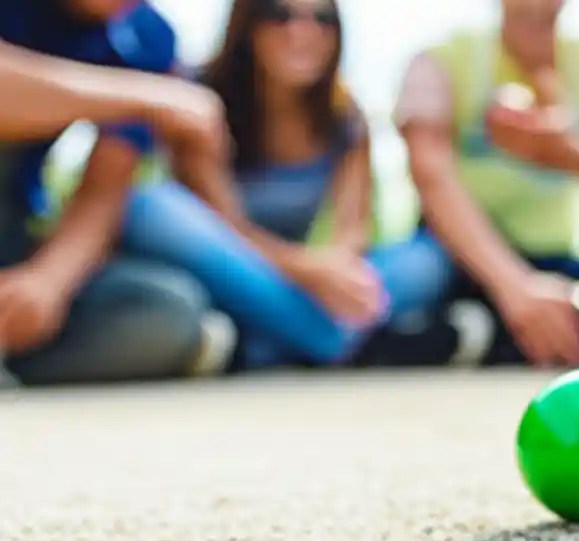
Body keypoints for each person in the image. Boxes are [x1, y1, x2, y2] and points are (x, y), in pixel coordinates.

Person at [123, 0, 451, 370]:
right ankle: (337, 342)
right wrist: (307, 269)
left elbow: (352, 230)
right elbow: (226, 233)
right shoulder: (201, 101)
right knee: (151, 206)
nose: (303, 32)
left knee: (426, 260)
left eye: (323, 19)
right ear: (246, 24)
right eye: (279, 15)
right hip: (232, 272)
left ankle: (280, 344)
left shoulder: (346, 116)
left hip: (297, 287)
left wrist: (336, 271)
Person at [394, 0, 579, 366]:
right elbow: (431, 178)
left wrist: (572, 156)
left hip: (573, 255)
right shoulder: (440, 60)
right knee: (422, 273)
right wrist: (514, 286)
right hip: (470, 257)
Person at [0, 0, 234, 386]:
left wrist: (46, 282)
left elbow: (104, 190)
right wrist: (146, 96)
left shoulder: (147, 35)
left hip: (11, 237)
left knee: (168, 309)